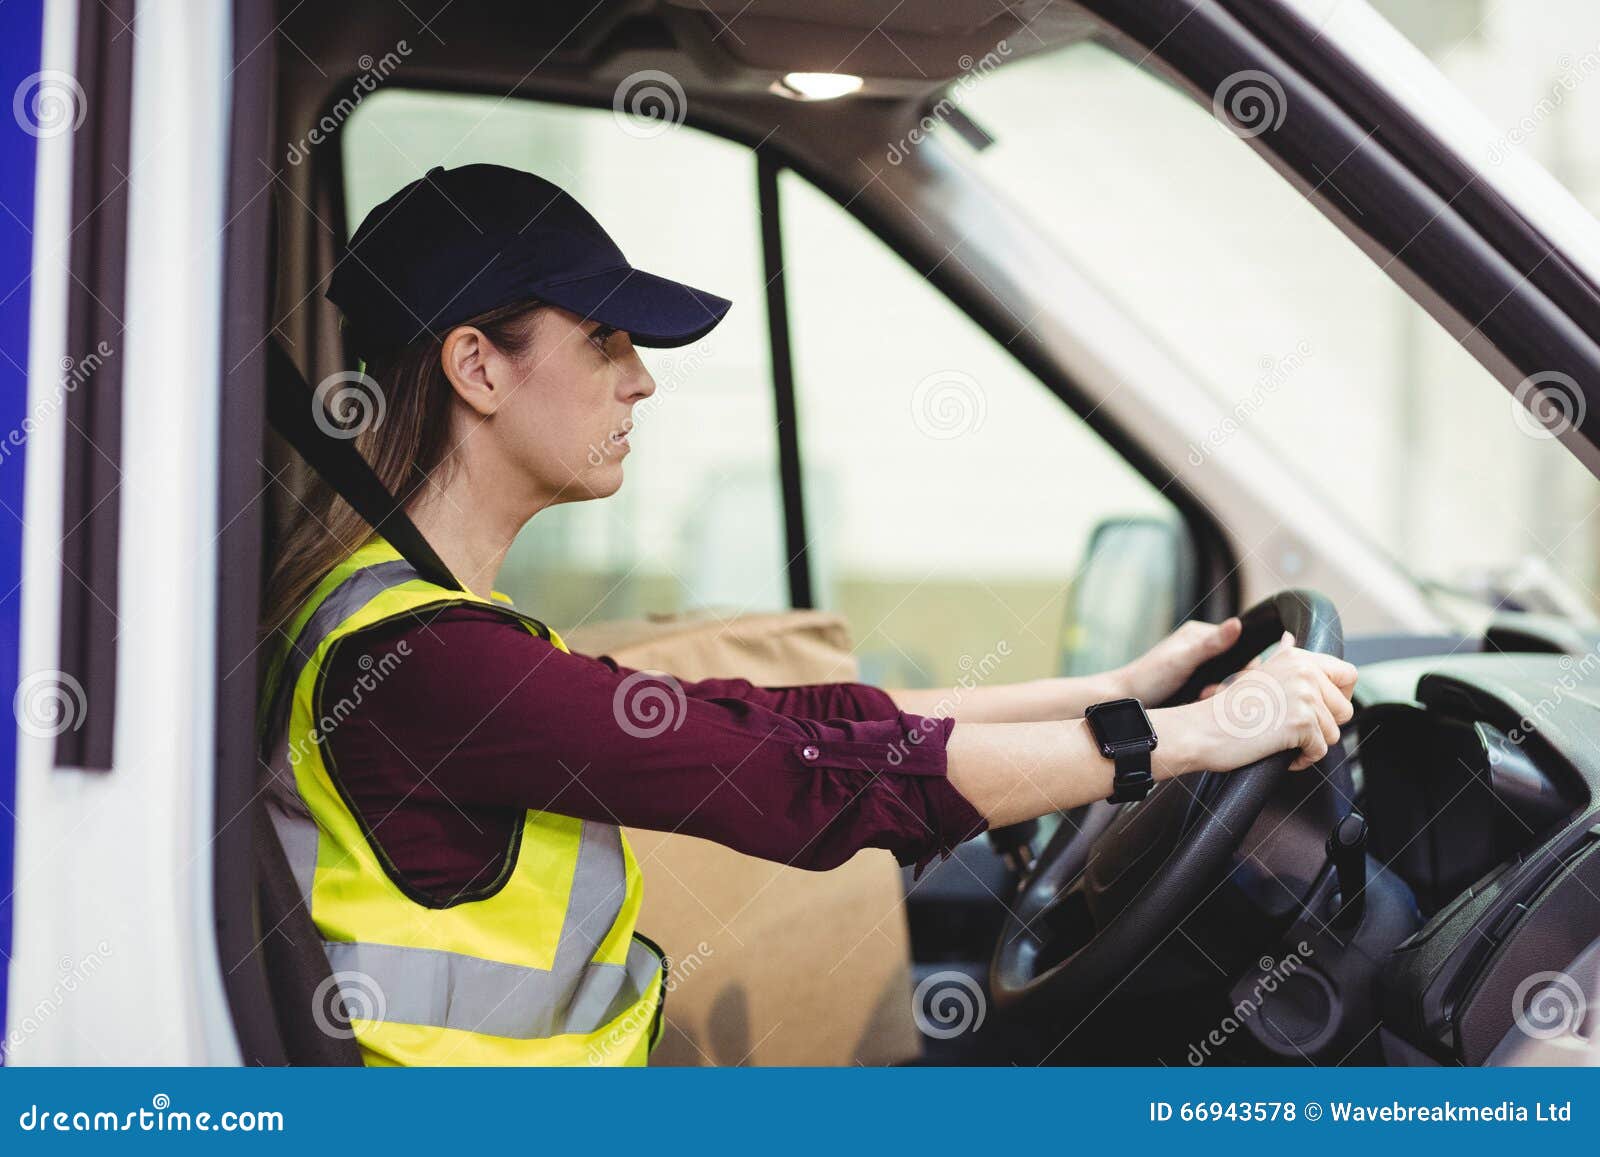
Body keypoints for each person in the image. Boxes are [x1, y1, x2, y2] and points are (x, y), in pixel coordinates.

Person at [258, 163, 1357, 1067]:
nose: (640, 380)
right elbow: (792, 779)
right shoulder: (427, 663)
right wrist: (1195, 737)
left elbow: (775, 720)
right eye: (605, 339)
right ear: (476, 367)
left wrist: (1109, 694)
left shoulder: (412, 626)